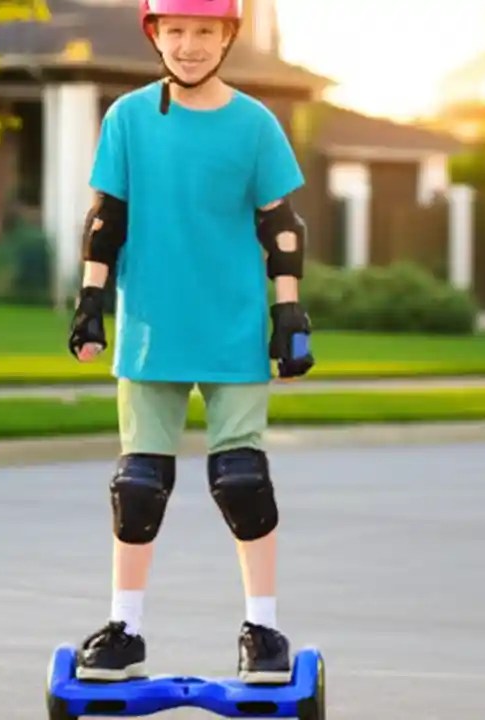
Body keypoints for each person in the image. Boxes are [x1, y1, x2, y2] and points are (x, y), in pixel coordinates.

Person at [66, 0, 314, 685]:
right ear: (154, 34)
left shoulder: (255, 125)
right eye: (175, 29)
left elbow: (282, 227)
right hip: (150, 327)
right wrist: (91, 301)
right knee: (138, 485)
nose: (189, 44)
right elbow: (105, 221)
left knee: (242, 480)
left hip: (233, 328)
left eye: (205, 30)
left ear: (229, 35)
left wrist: (288, 315)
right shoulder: (128, 118)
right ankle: (126, 628)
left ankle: (262, 629)